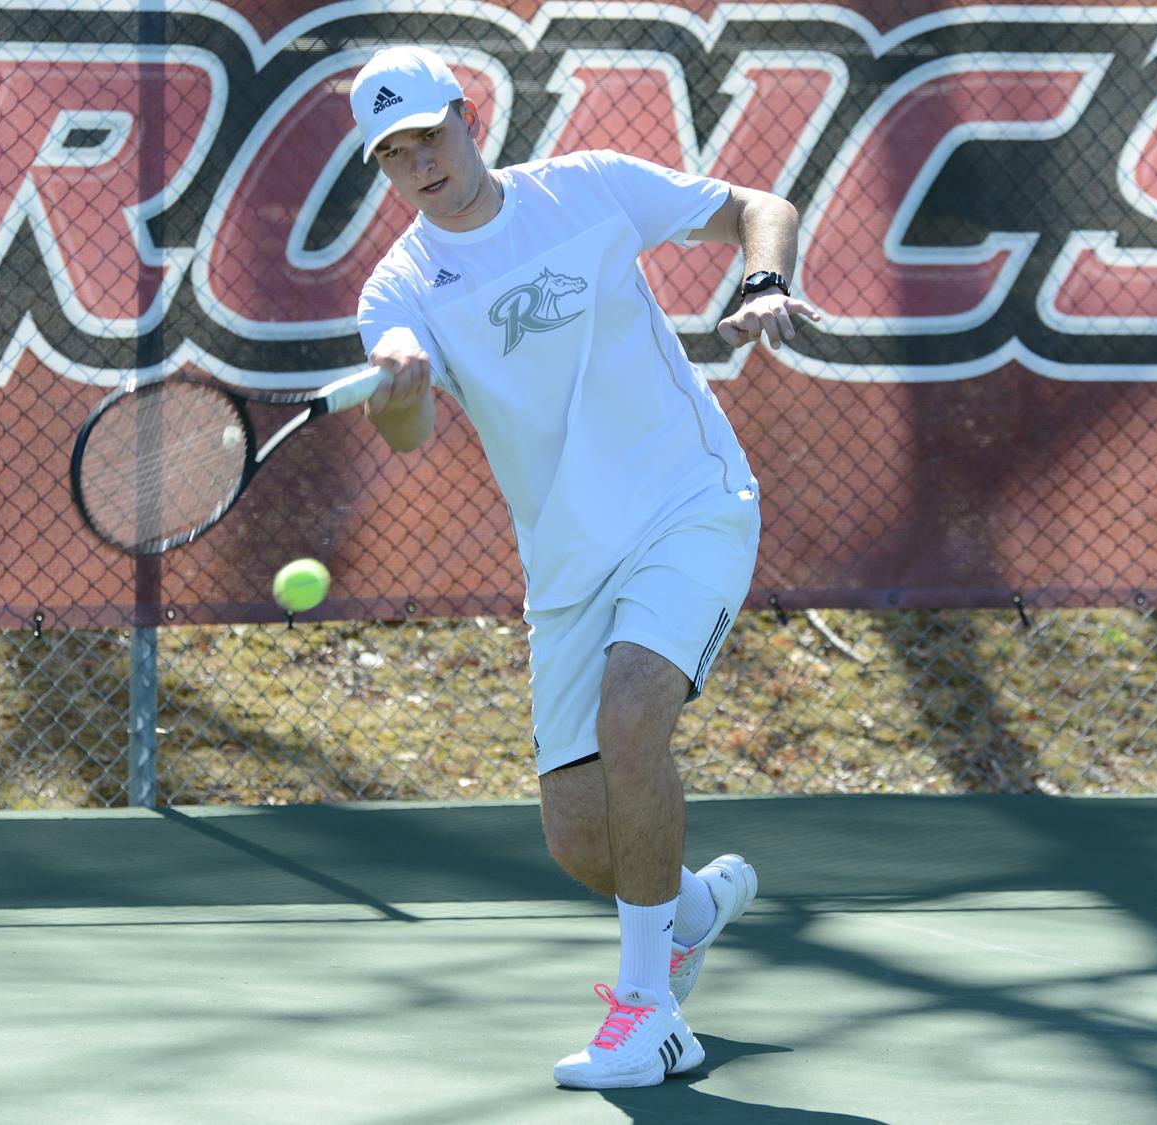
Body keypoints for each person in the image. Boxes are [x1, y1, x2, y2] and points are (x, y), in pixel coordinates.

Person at [349, 45, 822, 1090]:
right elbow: (408, 434)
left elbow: (759, 204)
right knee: (578, 841)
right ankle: (691, 910)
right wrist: (400, 382)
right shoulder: (398, 287)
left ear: (467, 118)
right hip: (565, 564)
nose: (419, 162)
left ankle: (649, 1011)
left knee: (629, 719)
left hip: (685, 504)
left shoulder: (589, 189)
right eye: (392, 154)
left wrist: (762, 276)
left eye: (428, 134)